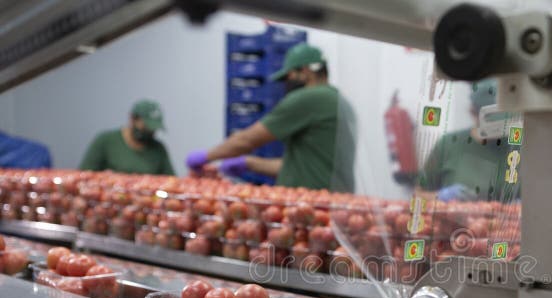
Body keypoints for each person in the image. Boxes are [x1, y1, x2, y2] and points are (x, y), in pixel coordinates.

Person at [186, 44, 356, 191]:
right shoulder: (341, 102)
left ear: (304, 71)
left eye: (288, 77)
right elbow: (298, 167)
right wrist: (249, 163)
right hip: (333, 201)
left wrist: (206, 156)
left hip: (311, 204)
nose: (287, 85)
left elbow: (245, 141)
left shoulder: (310, 98)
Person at [419, 80, 518, 202]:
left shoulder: (515, 147)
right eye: (491, 121)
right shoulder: (448, 145)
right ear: (473, 113)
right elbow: (418, 195)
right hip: (454, 219)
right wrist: (439, 197)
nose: (498, 127)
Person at [80, 100, 174, 175]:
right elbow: (84, 175)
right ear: (132, 119)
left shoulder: (159, 149)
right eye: (146, 127)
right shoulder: (105, 141)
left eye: (153, 129)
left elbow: (171, 182)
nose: (150, 132)